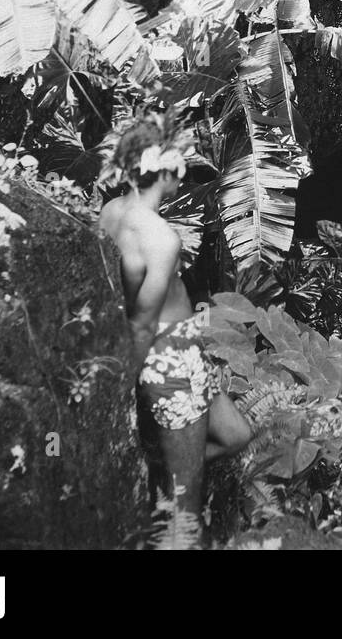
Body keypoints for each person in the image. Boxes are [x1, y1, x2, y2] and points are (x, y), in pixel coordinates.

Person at [98, 120, 252, 531]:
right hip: (171, 363)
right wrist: (124, 387)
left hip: (182, 352)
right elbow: (144, 322)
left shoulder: (111, 212)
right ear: (163, 172)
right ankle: (171, 496)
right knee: (187, 511)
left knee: (236, 434)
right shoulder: (162, 239)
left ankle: (159, 468)